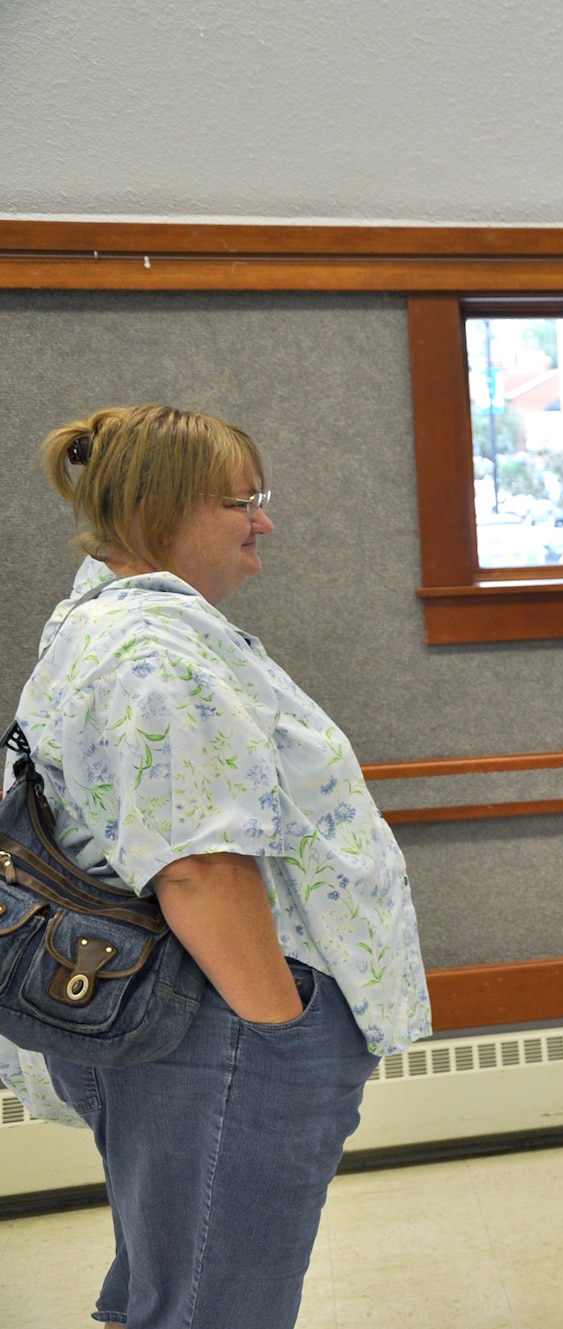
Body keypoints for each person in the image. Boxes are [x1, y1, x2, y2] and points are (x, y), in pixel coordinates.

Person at [0, 405, 430, 1328]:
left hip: (186, 1021)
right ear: (165, 511)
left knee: (176, 1285)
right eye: (246, 501)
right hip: (224, 1027)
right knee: (216, 1305)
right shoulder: (155, 653)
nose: (263, 520)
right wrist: (278, 1031)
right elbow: (195, 866)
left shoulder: (109, 624)